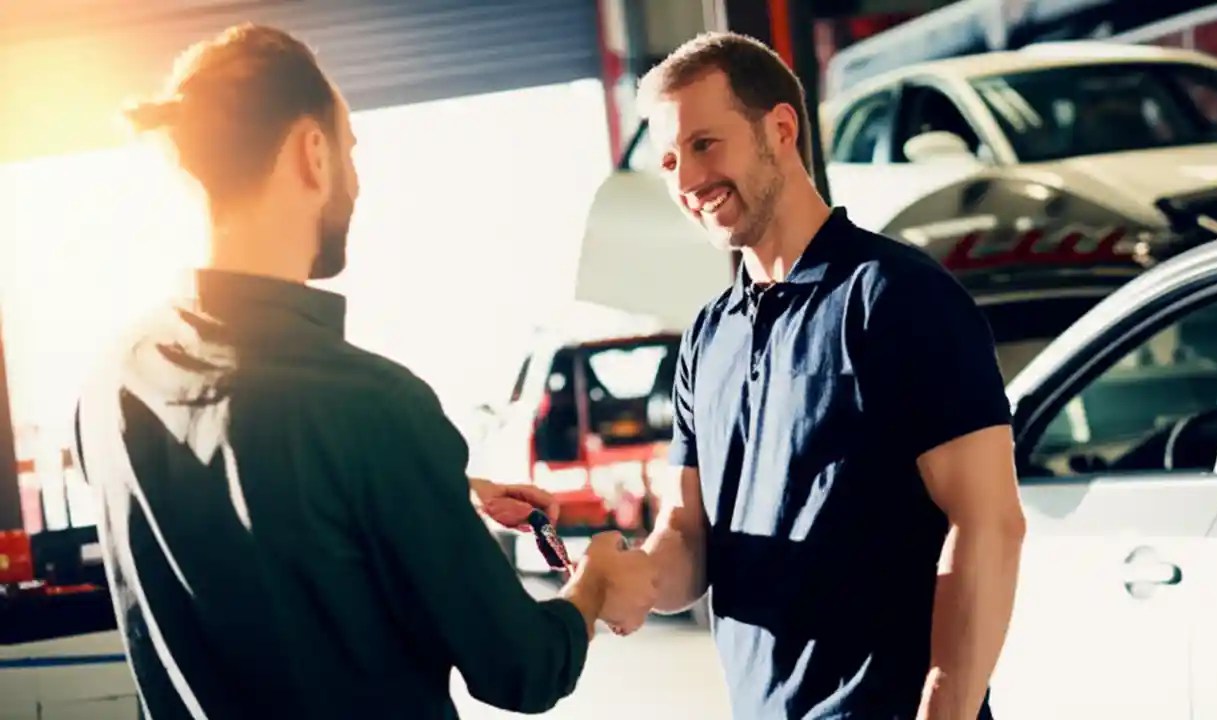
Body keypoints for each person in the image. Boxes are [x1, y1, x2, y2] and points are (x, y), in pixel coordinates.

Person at [72, 23, 656, 720]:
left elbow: (237, 504)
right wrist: (592, 585)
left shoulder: (114, 379)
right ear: (311, 153)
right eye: (349, 149)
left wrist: (434, 492)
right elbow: (521, 669)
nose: (355, 175)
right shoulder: (372, 408)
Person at [636, 32, 1026, 719]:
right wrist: (624, 578)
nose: (687, 180)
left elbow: (989, 524)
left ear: (779, 129)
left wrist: (943, 711)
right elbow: (688, 541)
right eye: (669, 158)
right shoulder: (706, 338)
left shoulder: (896, 297)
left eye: (704, 144)